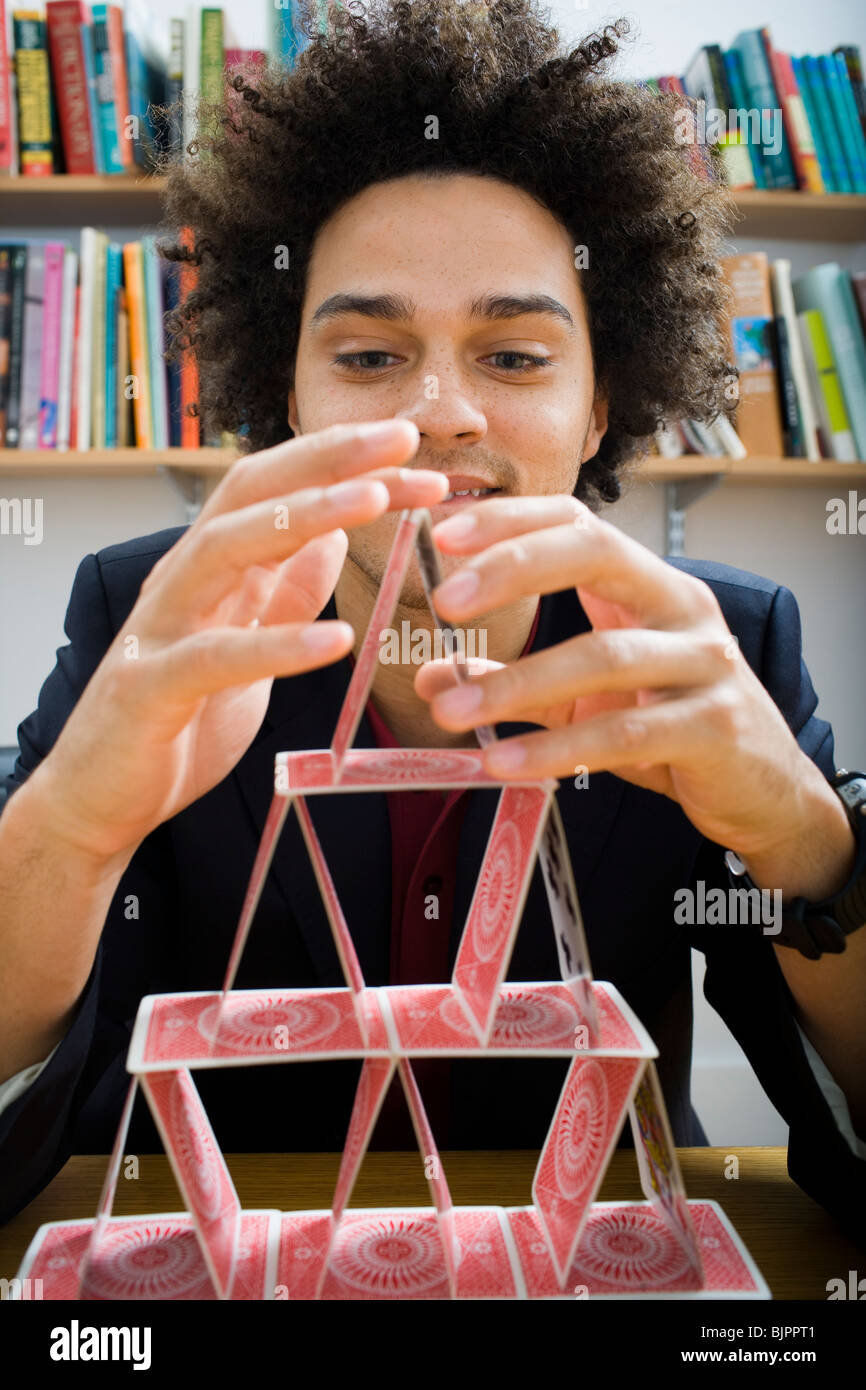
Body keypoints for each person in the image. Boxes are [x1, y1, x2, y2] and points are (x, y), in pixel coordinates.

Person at [1, 1, 863, 1237]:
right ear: (287, 394)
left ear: (598, 400)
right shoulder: (154, 616)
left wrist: (803, 841)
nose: (438, 411)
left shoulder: (710, 648)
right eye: (365, 356)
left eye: (513, 358)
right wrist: (73, 830)